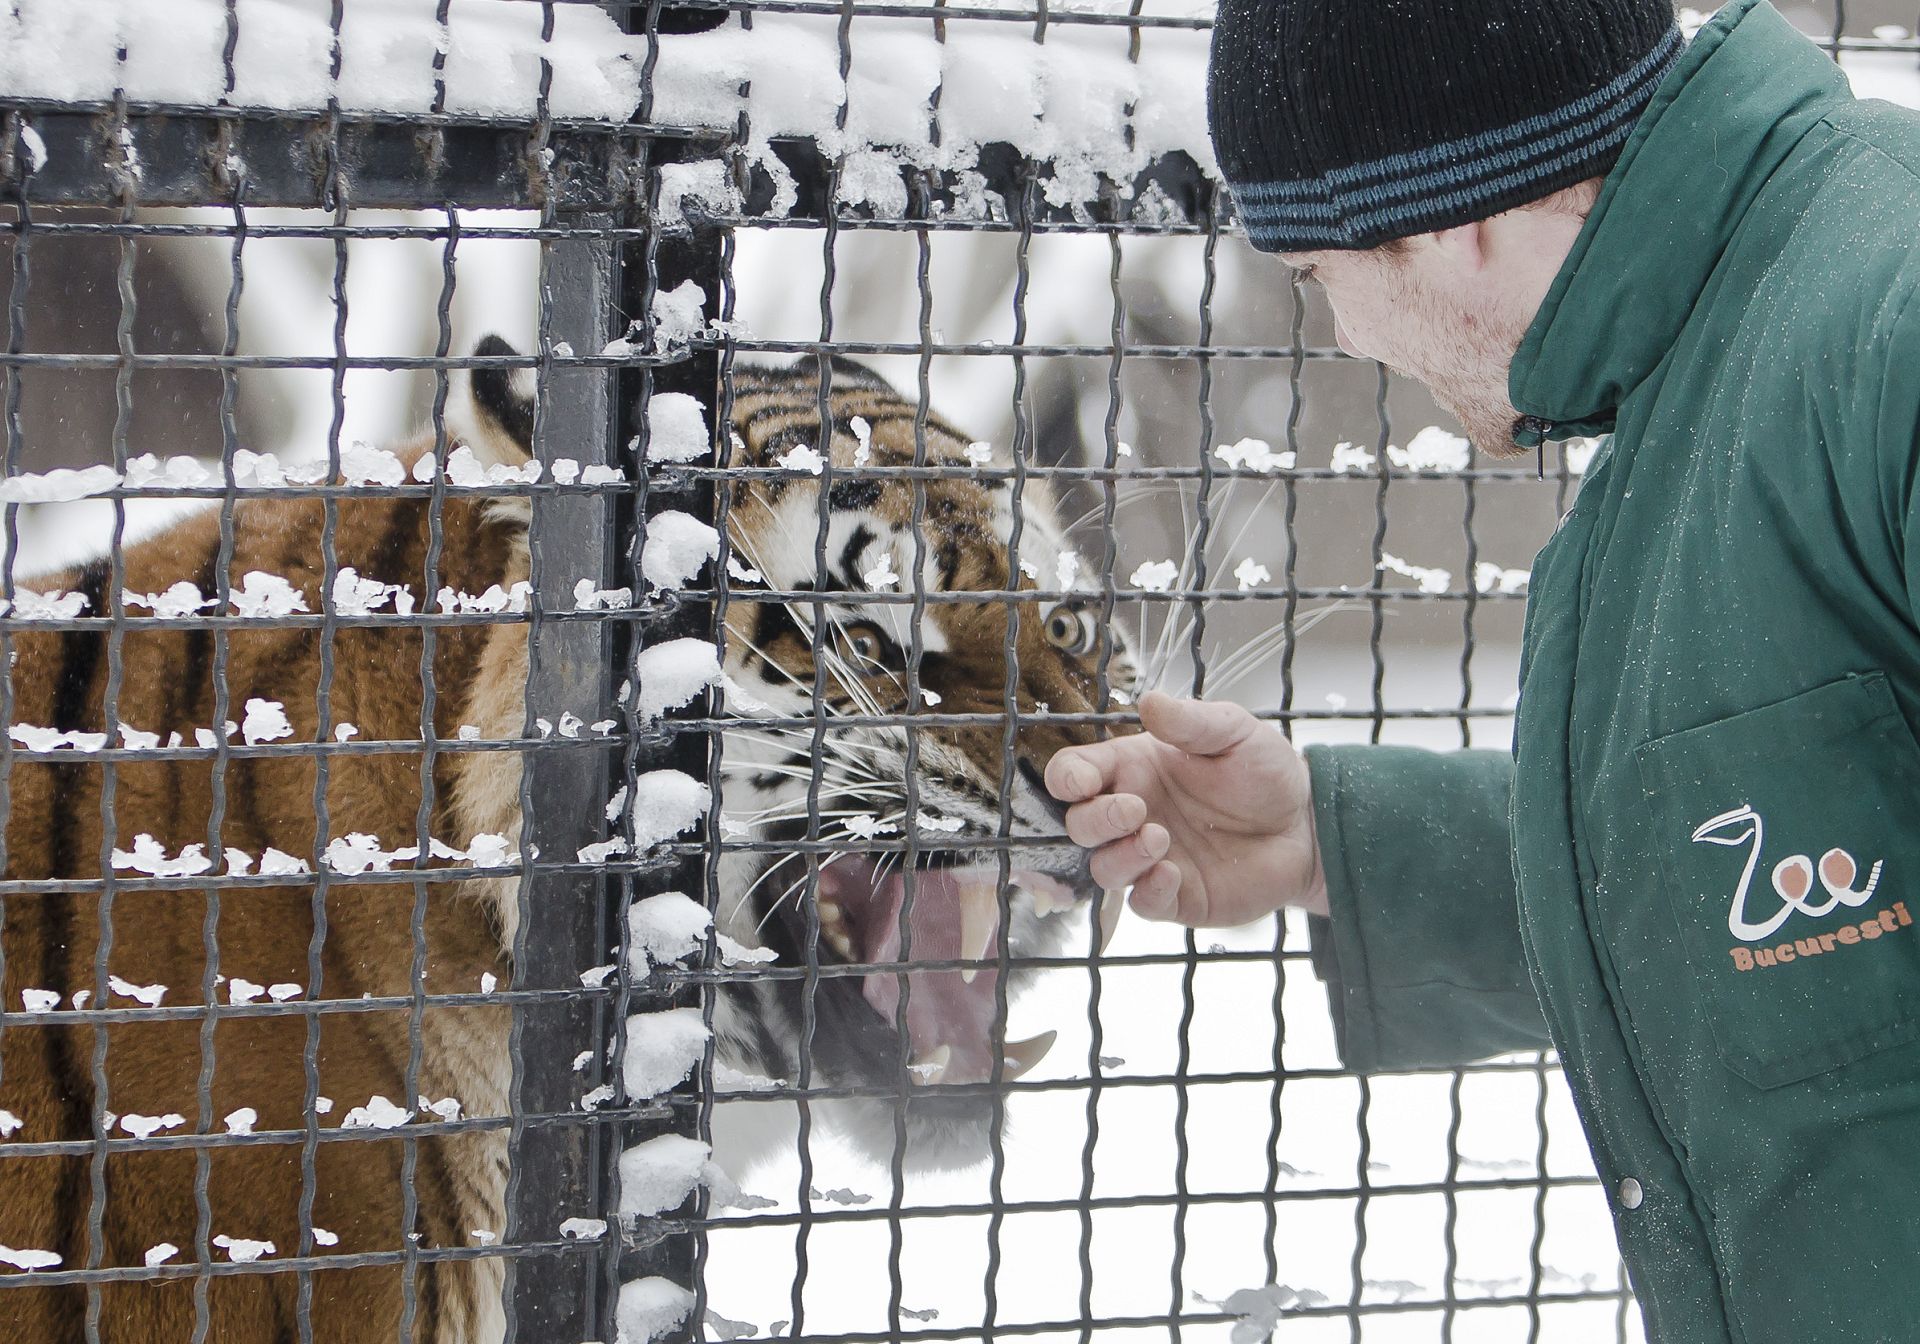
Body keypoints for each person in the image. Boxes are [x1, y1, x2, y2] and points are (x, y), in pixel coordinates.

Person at [1044, 1, 1920, 1340]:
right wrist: (1335, 843)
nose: (1341, 341)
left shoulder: (1887, 328)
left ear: (1458, 212)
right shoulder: (1725, 356)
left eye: (1324, 274)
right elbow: (1814, 879)